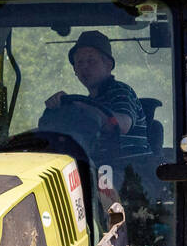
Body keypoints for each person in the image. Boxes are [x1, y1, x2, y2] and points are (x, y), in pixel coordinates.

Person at [45, 30, 149, 158]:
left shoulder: (121, 91)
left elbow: (122, 125)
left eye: (91, 61)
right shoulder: (88, 103)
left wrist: (79, 104)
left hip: (130, 170)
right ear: (75, 70)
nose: (85, 67)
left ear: (108, 65)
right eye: (79, 62)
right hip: (98, 170)